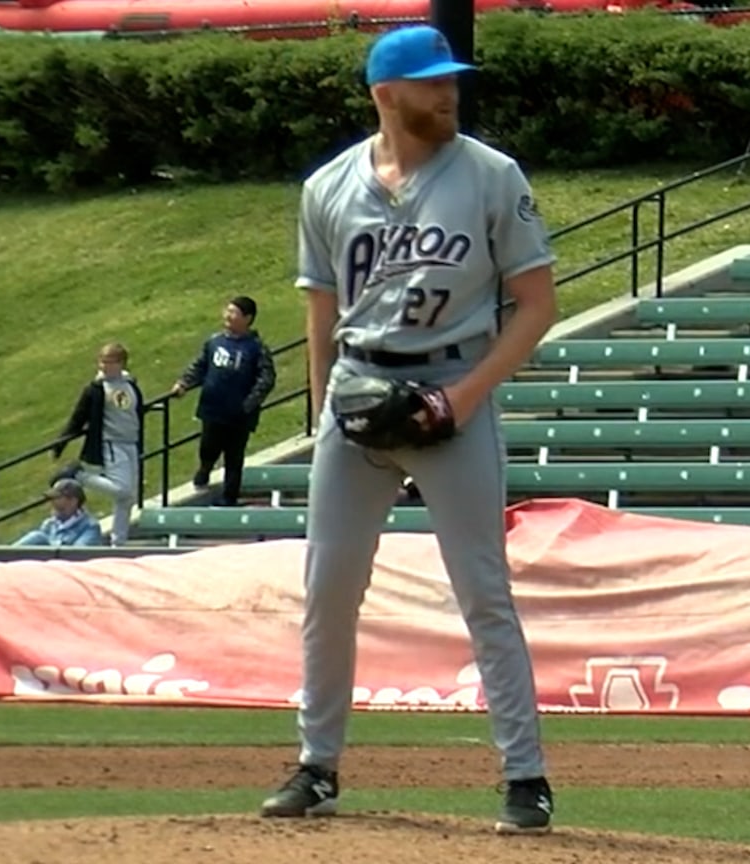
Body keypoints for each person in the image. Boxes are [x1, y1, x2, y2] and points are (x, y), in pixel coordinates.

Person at [257, 24, 560, 835]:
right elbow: (320, 313)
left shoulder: (492, 177)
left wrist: (464, 399)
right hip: (359, 396)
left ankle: (525, 778)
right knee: (328, 592)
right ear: (385, 94)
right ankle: (316, 766)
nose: (447, 92)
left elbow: (536, 307)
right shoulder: (327, 187)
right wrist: (329, 410)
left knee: (483, 594)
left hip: (452, 388)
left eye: (451, 79)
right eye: (430, 82)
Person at [170, 296, 277, 506]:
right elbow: (200, 366)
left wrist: (248, 404)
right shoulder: (215, 342)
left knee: (234, 457)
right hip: (212, 408)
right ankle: (204, 469)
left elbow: (266, 379)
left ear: (248, 318)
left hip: (239, 414)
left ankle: (230, 496)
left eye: (234, 313)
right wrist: (184, 383)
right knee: (208, 446)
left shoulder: (256, 348)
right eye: (227, 311)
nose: (228, 316)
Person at [52, 342, 146, 546]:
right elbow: (78, 418)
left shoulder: (130, 384)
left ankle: (119, 541)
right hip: (112, 443)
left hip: (131, 443)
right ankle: (78, 475)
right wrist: (61, 442)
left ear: (121, 363)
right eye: (101, 362)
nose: (104, 367)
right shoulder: (96, 389)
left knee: (128, 497)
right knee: (121, 489)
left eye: (109, 362)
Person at [13, 478, 105, 547]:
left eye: (57, 498)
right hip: (45, 568)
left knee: (38, 537)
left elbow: (77, 555)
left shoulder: (90, 526)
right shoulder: (49, 524)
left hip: (69, 571)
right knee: (37, 536)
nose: (52, 502)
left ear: (73, 501)